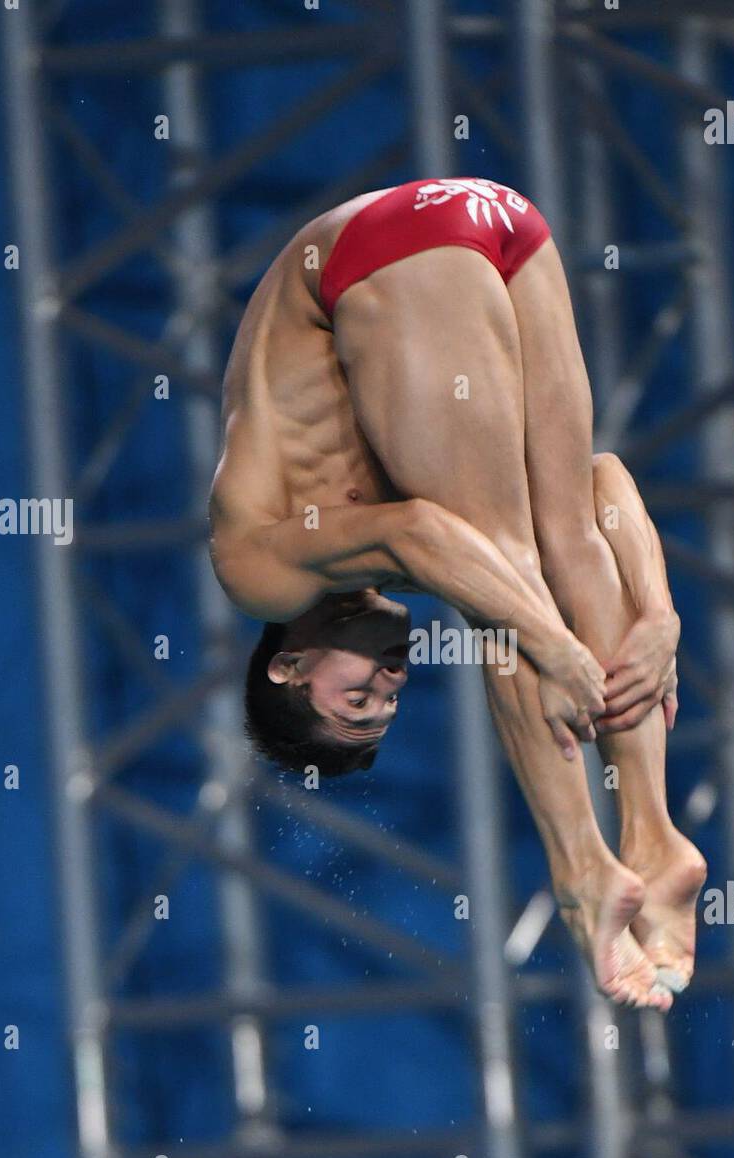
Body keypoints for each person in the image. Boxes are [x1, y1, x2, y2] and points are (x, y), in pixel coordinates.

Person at [210, 177, 705, 1010]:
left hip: (383, 250)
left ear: (288, 667)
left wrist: (549, 643)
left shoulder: (256, 568)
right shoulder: (356, 561)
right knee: (562, 543)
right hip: (502, 223)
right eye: (389, 703)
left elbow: (424, 538)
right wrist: (660, 616)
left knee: (503, 583)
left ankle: (582, 870)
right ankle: (654, 836)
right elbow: (604, 484)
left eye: (357, 697)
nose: (391, 682)